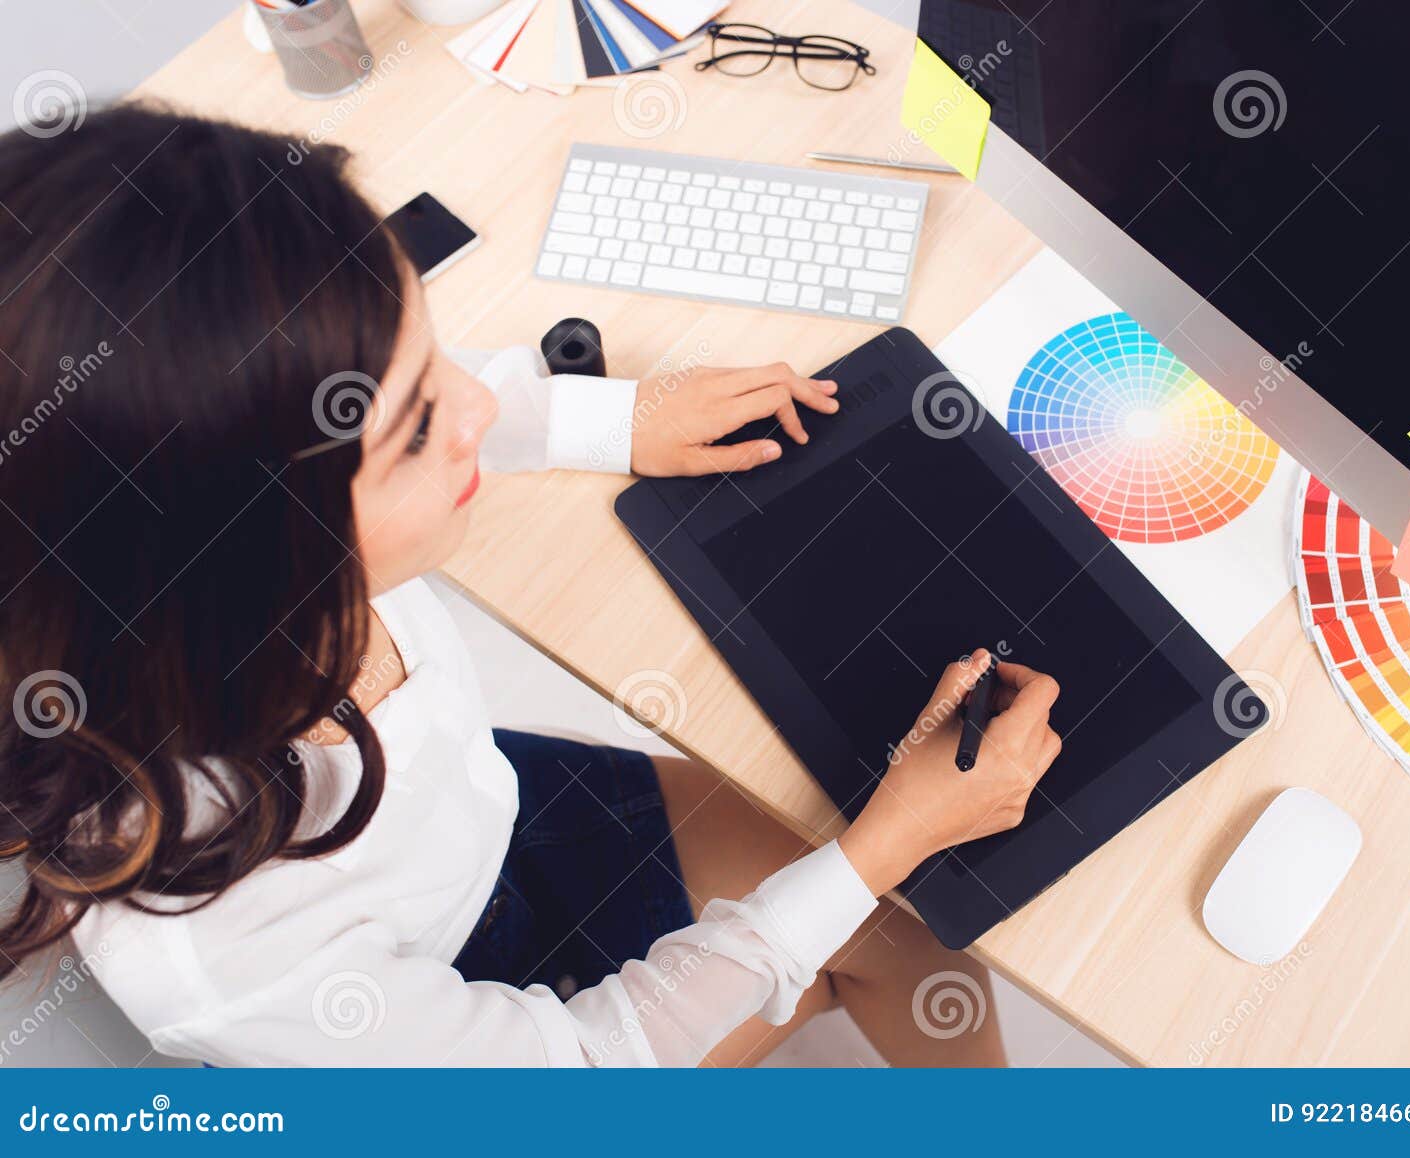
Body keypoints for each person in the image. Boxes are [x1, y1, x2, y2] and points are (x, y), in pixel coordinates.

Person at [0, 105, 1061, 1067]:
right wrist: (885, 841)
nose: (474, 406)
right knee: (874, 887)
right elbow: (587, 1073)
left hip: (486, 815)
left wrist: (608, 418)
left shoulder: (185, 569)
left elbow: (371, 399)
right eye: (421, 427)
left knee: (913, 924)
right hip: (482, 1030)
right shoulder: (227, 955)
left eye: (433, 358)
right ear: (234, 555)